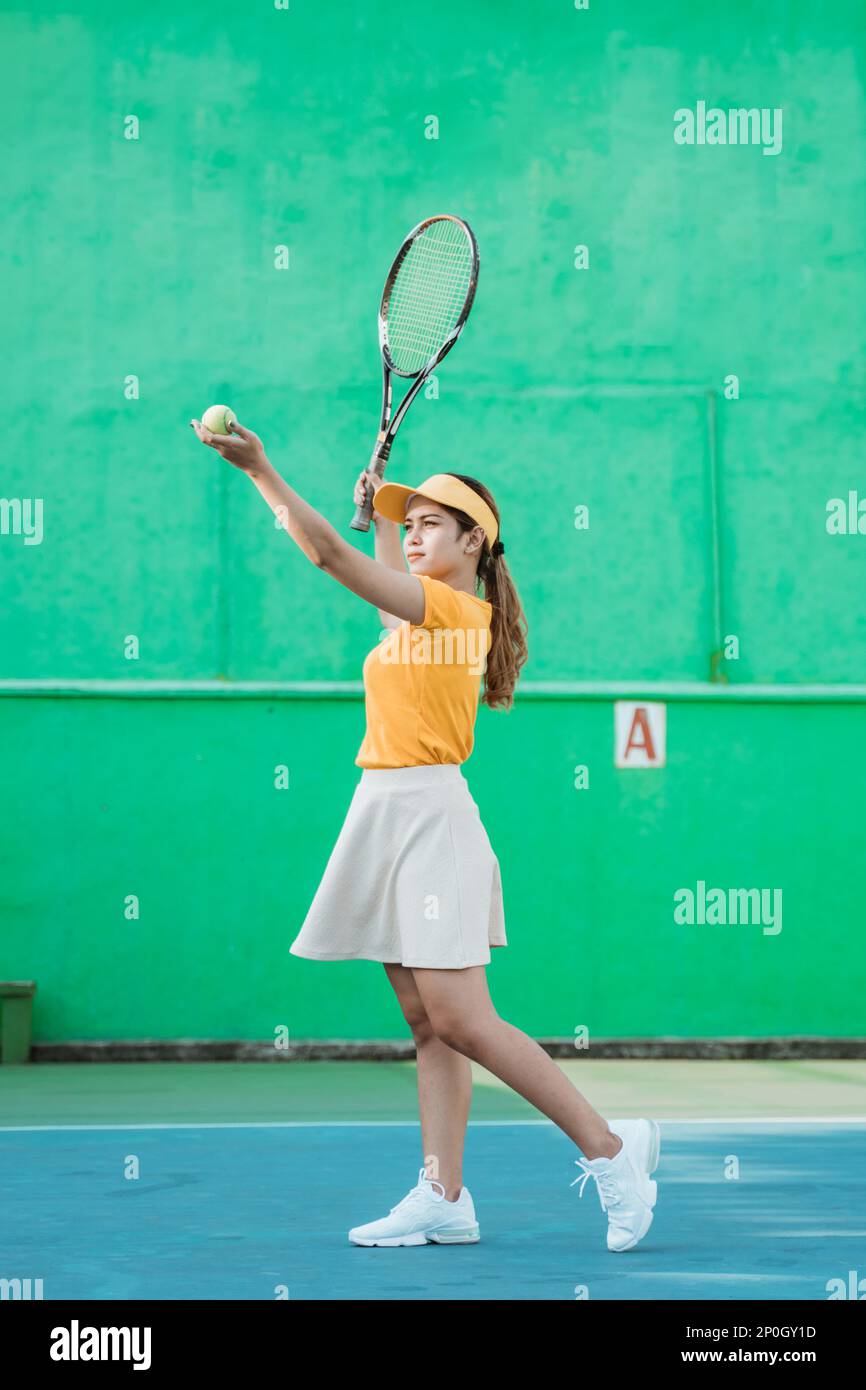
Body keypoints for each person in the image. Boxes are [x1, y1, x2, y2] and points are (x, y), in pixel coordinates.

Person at [189, 413, 661, 1252]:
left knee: (464, 1018)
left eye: (430, 524)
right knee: (427, 1022)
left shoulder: (457, 613)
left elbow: (329, 558)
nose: (412, 535)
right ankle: (444, 1196)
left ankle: (613, 1151)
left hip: (429, 821)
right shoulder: (418, 619)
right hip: (385, 811)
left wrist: (259, 469)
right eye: (408, 525)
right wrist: (380, 517)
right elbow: (378, 592)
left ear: (473, 542)